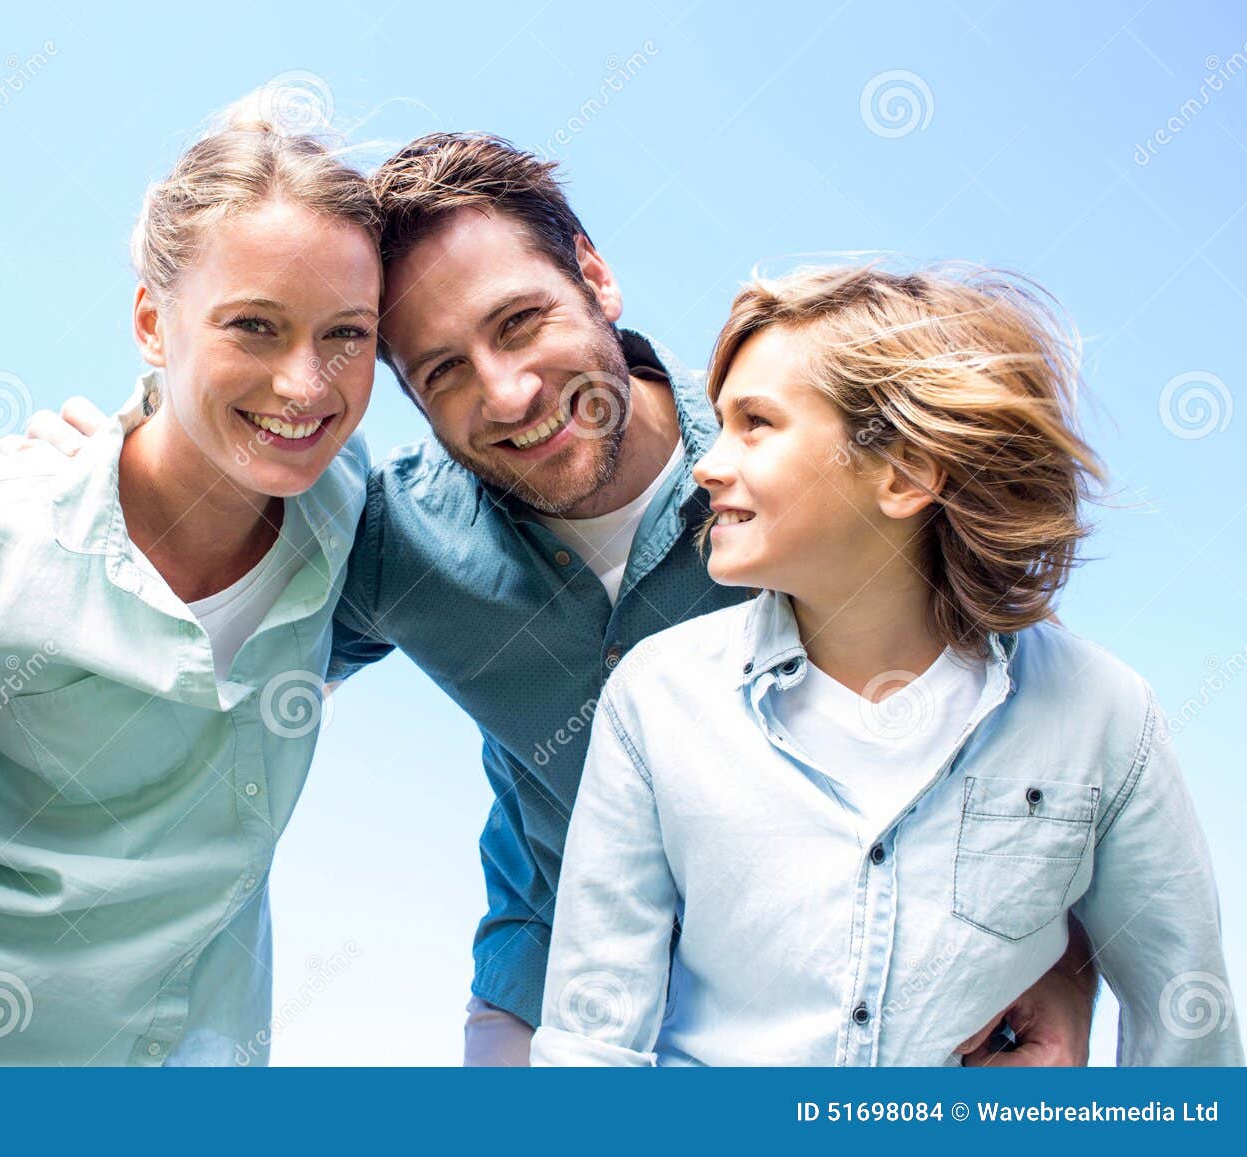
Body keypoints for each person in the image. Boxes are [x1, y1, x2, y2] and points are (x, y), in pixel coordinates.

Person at [18, 133, 1098, 1066]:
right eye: (438, 370)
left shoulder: (800, 480)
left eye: (521, 322)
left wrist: (1066, 954)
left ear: (594, 274)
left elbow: (1018, 726)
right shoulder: (390, 542)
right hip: (545, 1010)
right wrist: (114, 471)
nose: (507, 394)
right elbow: (223, 590)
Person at [530, 264, 1242, 1066]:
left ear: (904, 474)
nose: (709, 463)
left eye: (758, 423)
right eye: (721, 423)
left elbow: (1188, 1032)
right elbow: (590, 1045)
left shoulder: (1103, 714)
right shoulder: (656, 698)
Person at [0, 108, 380, 1065]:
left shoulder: (346, 511)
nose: (306, 383)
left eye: (347, 334)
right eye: (254, 325)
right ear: (149, 322)